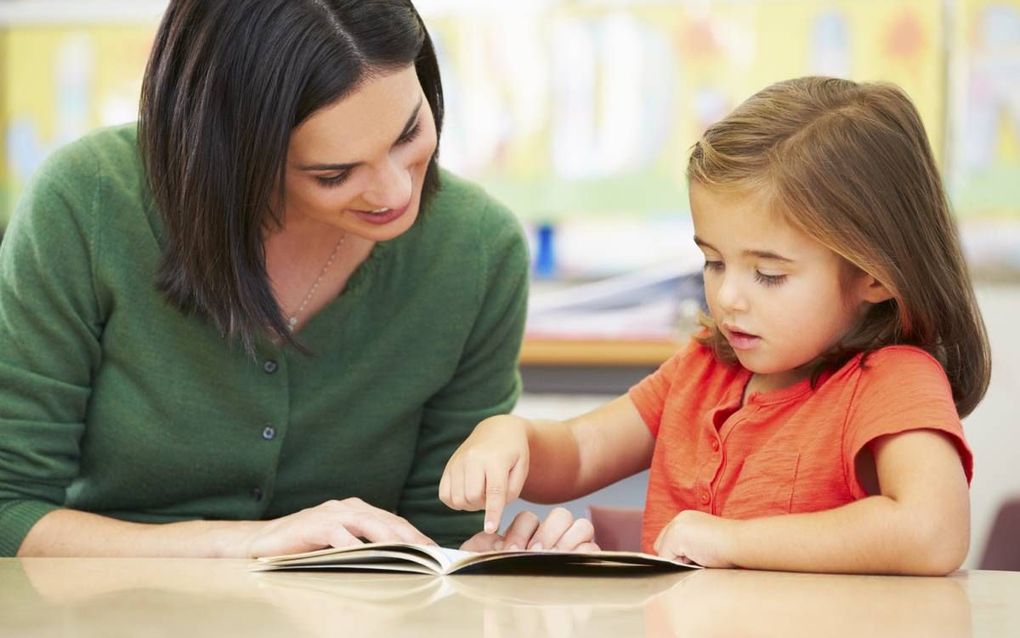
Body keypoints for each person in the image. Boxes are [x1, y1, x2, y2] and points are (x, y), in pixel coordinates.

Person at [0, 0, 588, 558]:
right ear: (230, 157)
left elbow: (436, 536)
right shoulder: (88, 204)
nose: (395, 191)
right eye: (334, 172)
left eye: (409, 134)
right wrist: (241, 547)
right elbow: (10, 508)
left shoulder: (478, 249)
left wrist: (485, 559)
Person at [440, 76, 992, 574]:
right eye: (713, 262)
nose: (728, 297)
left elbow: (931, 533)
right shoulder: (703, 368)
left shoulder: (892, 380)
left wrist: (732, 540)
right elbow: (583, 451)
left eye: (769, 274)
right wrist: (509, 437)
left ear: (874, 275)